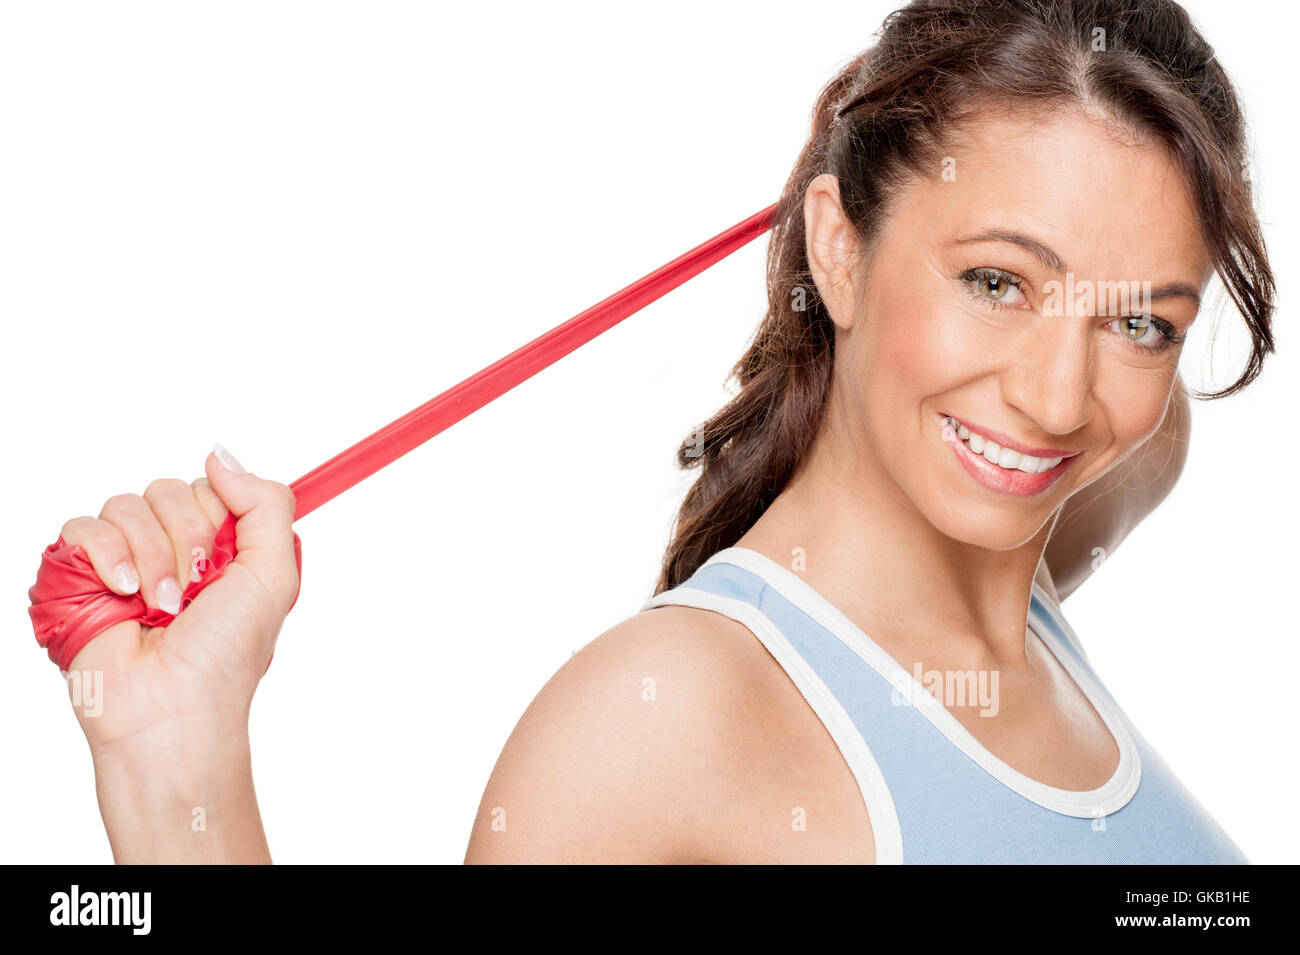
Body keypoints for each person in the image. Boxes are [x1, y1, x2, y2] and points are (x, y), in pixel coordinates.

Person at [53, 0, 1273, 863]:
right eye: (996, 282)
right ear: (837, 247)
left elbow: (1136, 440)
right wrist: (180, 775)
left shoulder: (1062, 518)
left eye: (1140, 325)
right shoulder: (662, 723)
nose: (1059, 400)